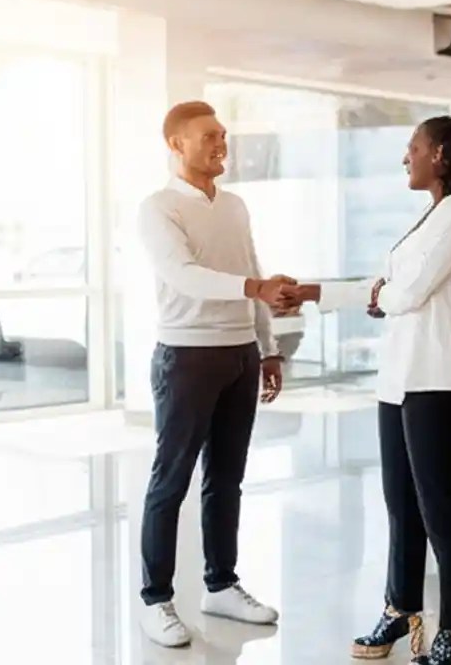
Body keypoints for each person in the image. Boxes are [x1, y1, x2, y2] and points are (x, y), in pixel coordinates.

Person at [290, 114, 451, 665]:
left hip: (435, 377)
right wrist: (312, 292)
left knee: (440, 508)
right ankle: (401, 606)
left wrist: (385, 292)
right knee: (400, 505)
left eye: (413, 147)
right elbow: (387, 286)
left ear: (441, 156)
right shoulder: (431, 216)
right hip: (399, 379)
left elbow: (405, 294)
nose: (405, 157)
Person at [135, 100, 295, 648]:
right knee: (170, 479)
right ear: (177, 144)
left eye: (224, 134)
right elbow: (184, 275)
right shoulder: (158, 208)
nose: (221, 143)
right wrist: (254, 289)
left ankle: (220, 586)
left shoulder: (235, 205)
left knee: (227, 478)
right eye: (209, 136)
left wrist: (268, 348)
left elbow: (251, 267)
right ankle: (155, 599)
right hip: (187, 357)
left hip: (239, 354)